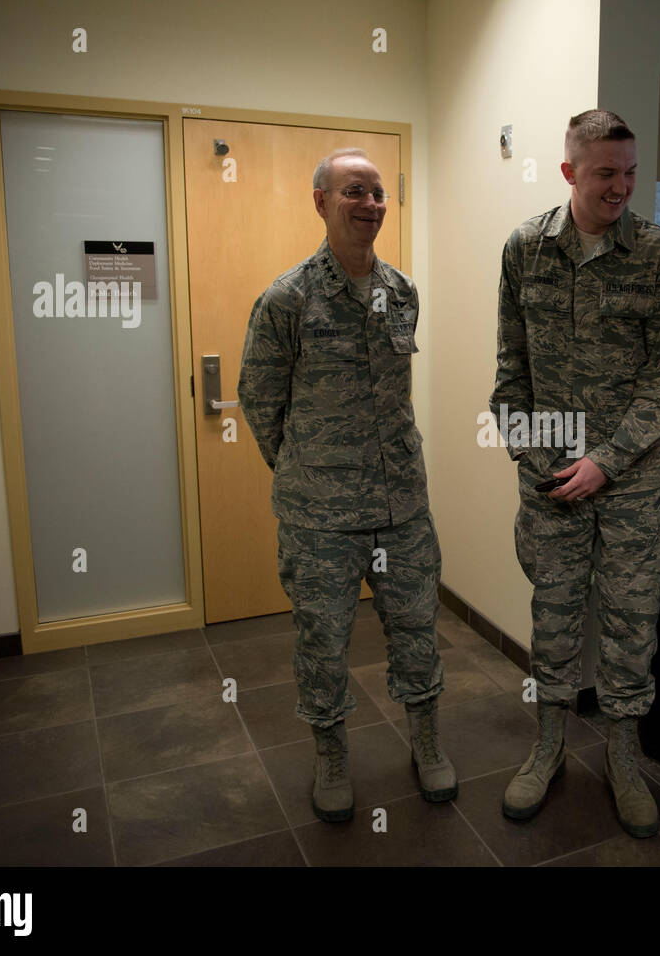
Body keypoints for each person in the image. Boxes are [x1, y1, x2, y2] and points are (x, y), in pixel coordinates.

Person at [490, 110, 660, 838]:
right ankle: (546, 746)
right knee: (553, 618)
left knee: (630, 626)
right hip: (552, 483)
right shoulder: (525, 247)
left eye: (631, 172)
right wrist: (531, 452)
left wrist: (604, 462)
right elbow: (510, 369)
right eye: (607, 173)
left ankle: (623, 754)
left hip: (633, 483)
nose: (622, 187)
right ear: (571, 170)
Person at [238, 148, 454, 823]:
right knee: (323, 643)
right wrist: (305, 467)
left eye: (378, 192)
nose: (369, 204)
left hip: (402, 507)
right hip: (319, 517)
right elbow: (259, 399)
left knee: (418, 630)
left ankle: (426, 741)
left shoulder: (403, 292)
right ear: (321, 202)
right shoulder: (287, 298)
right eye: (353, 191)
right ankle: (330, 755)